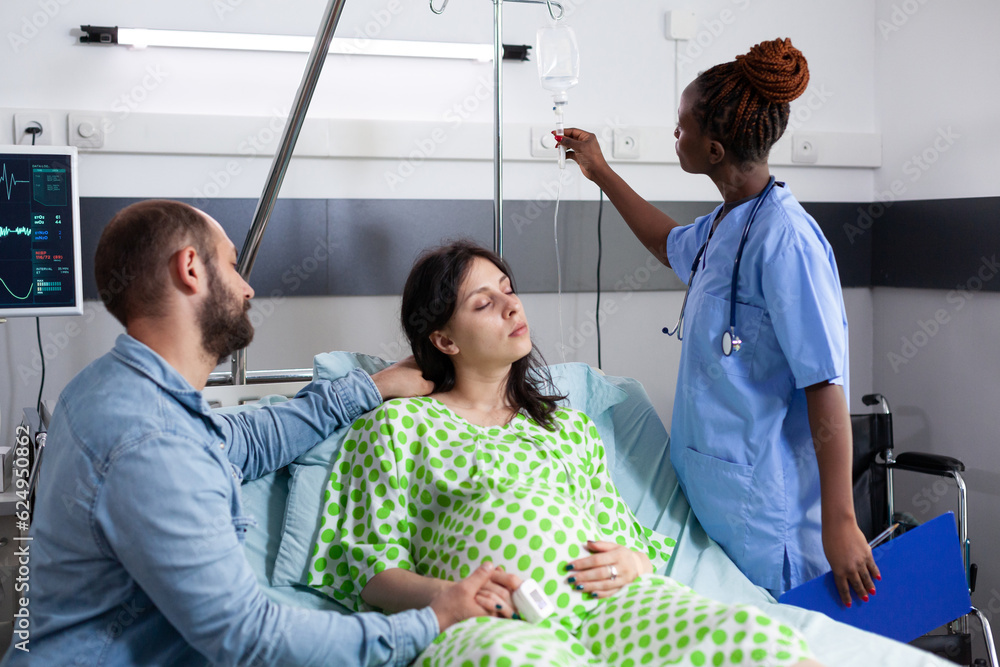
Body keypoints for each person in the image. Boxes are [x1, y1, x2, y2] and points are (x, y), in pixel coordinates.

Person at [1, 200, 498, 667]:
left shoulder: (105, 386)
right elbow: (251, 639)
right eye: (234, 265)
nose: (247, 288)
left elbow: (244, 440)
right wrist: (431, 621)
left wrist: (369, 388)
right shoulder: (152, 445)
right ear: (191, 268)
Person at [307, 241, 826, 667]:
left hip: (611, 609)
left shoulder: (567, 428)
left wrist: (636, 563)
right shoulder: (398, 426)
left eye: (509, 292)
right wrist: (455, 599)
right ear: (443, 339)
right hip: (495, 625)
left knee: (752, 638)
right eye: (484, 303)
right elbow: (371, 572)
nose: (512, 307)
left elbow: (621, 537)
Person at [557, 38, 878, 604]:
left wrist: (841, 522)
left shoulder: (787, 239)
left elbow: (825, 384)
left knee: (773, 642)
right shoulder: (727, 223)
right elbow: (667, 244)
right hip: (713, 495)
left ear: (713, 148)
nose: (673, 135)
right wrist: (600, 171)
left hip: (765, 510)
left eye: (680, 128)